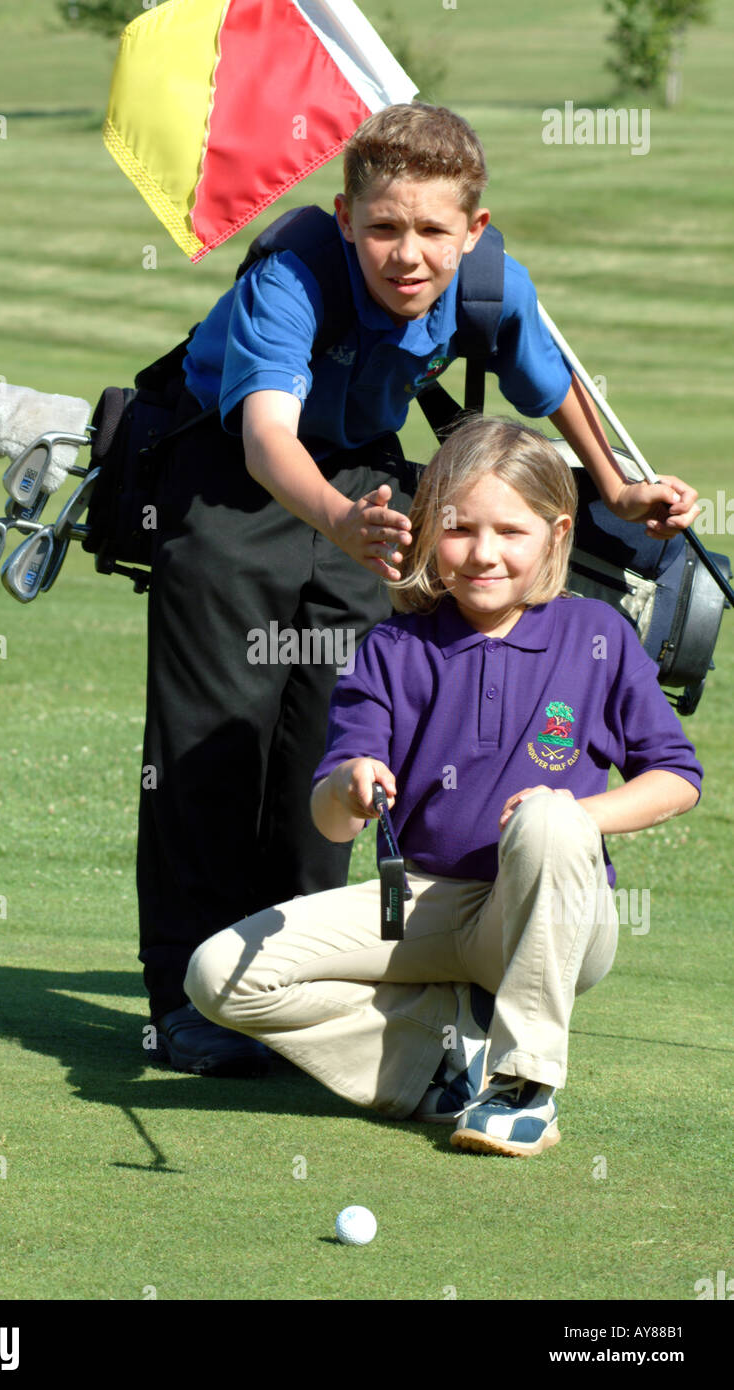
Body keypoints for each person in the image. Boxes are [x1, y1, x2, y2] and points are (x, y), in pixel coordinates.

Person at [139, 103, 699, 1078]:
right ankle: (181, 1000)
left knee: (331, 741)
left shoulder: (488, 281)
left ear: (471, 230)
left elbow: (551, 379)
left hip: (363, 484)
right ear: (345, 217)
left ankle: (283, 972)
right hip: (233, 484)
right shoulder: (293, 277)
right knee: (212, 739)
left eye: (432, 230)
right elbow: (268, 435)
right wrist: (338, 521)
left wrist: (616, 488)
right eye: (384, 227)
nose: (408, 254)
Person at [183, 415, 703, 1154]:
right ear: (428, 530)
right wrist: (350, 789)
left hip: (553, 920)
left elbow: (677, 779)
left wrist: (576, 815)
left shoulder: (600, 635)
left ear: (558, 535)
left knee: (552, 822)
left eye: (511, 533)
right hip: (420, 904)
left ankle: (524, 1088)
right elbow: (332, 823)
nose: (482, 555)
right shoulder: (393, 646)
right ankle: (442, 1063)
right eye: (459, 531)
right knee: (218, 977)